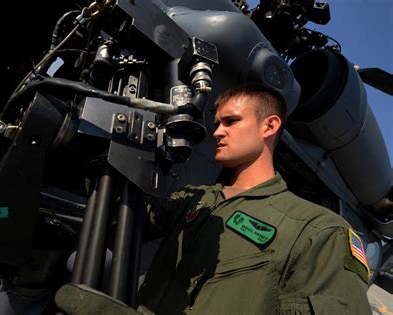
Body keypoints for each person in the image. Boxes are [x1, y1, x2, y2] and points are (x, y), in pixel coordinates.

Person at [137, 83, 371, 314]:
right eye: (218, 123)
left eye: (231, 121)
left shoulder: (319, 231)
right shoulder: (194, 199)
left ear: (269, 126)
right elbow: (127, 220)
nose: (217, 132)